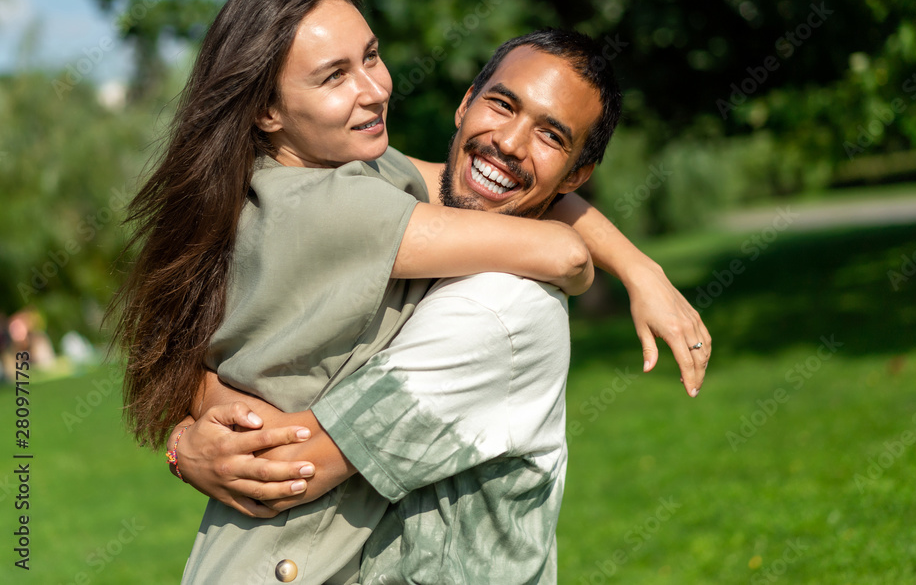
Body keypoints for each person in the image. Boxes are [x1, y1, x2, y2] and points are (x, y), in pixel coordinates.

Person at [176, 30, 711, 583]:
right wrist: (638, 269)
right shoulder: (348, 197)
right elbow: (563, 250)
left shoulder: (499, 310)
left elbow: (288, 467)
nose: (508, 141)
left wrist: (189, 436)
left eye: (550, 135)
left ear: (576, 175)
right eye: (502, 105)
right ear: (465, 104)